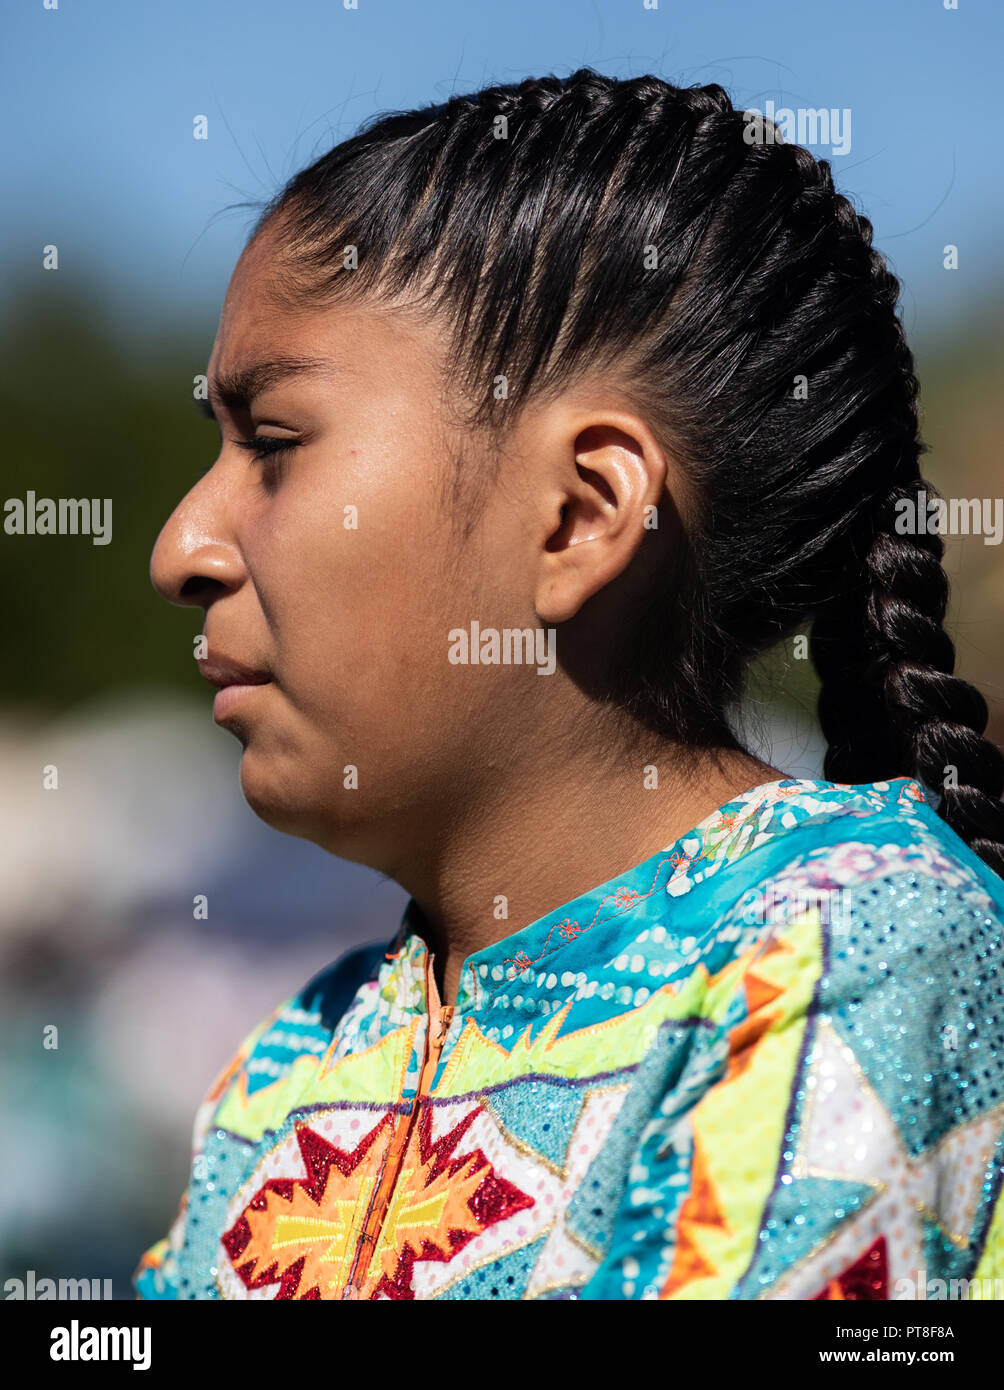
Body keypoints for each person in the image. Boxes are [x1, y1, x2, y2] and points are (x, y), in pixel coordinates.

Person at [136, 69, 1004, 1301]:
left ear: (581, 514)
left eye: (272, 447)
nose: (181, 549)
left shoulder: (838, 949)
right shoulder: (287, 1067)